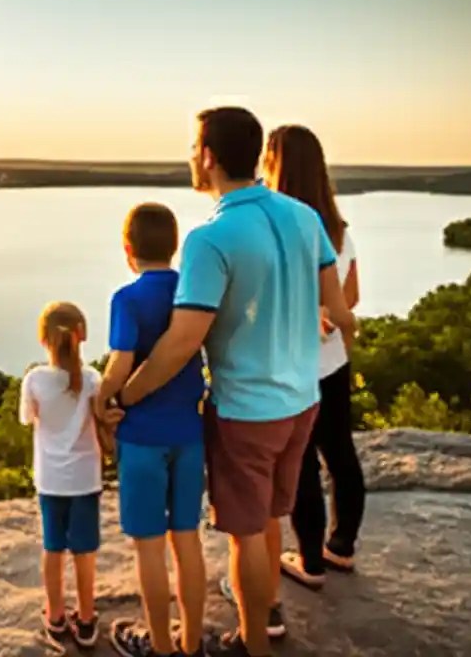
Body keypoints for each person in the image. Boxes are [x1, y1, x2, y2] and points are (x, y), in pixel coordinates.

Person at [120, 107, 356, 657]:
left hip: (249, 410)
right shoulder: (303, 216)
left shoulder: (211, 237)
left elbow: (182, 341)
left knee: (246, 533)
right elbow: (338, 306)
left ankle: (254, 645)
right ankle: (262, 622)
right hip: (303, 401)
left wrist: (124, 395)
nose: (190, 157)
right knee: (272, 515)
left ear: (208, 156)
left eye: (192, 147)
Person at [96, 204, 209, 657]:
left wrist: (102, 399)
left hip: (142, 439)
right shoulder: (191, 291)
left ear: (128, 250)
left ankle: (160, 647)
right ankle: (192, 641)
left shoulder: (127, 298)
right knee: (188, 540)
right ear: (175, 245)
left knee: (148, 547)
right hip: (189, 433)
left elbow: (122, 362)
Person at [263, 125, 366, 588]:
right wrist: (328, 313)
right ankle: (341, 547)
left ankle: (309, 563)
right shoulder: (341, 231)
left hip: (292, 367)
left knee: (300, 463)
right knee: (340, 454)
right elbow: (353, 296)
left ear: (275, 164)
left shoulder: (276, 229)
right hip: (335, 362)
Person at [20, 301, 104, 651]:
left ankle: (55, 616)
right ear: (81, 336)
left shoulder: (35, 380)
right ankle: (86, 619)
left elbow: (28, 419)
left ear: (44, 340)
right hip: (85, 478)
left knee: (53, 547)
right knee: (84, 551)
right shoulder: (92, 380)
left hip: (51, 479)